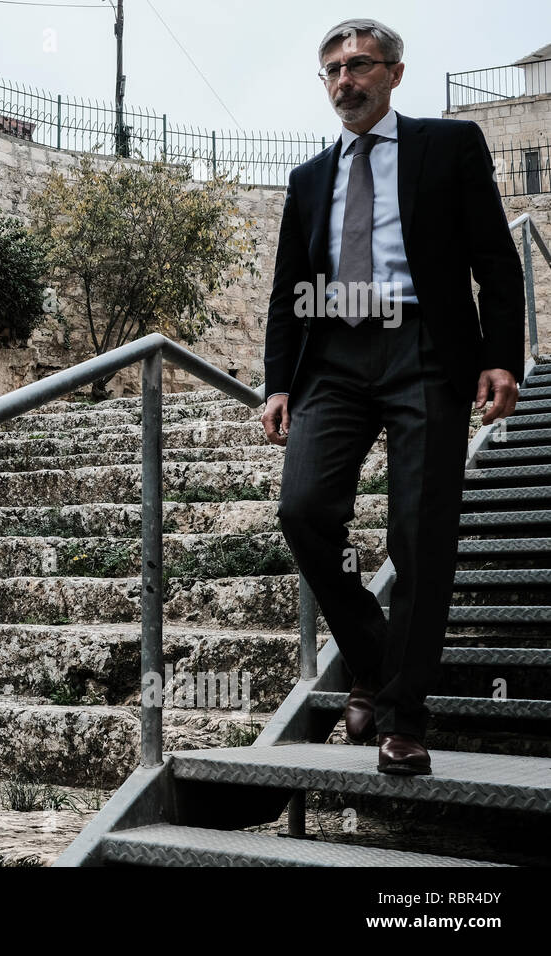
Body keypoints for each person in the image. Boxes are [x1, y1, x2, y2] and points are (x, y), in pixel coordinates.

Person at [259, 18, 524, 774]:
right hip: (333, 357)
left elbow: (495, 261)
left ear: (394, 74)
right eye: (333, 70)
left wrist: (501, 358)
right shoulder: (310, 178)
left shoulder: (448, 146)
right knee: (304, 510)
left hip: (425, 349)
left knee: (419, 534)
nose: (346, 80)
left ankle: (404, 718)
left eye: (360, 65)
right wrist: (279, 379)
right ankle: (374, 663)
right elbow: (287, 290)